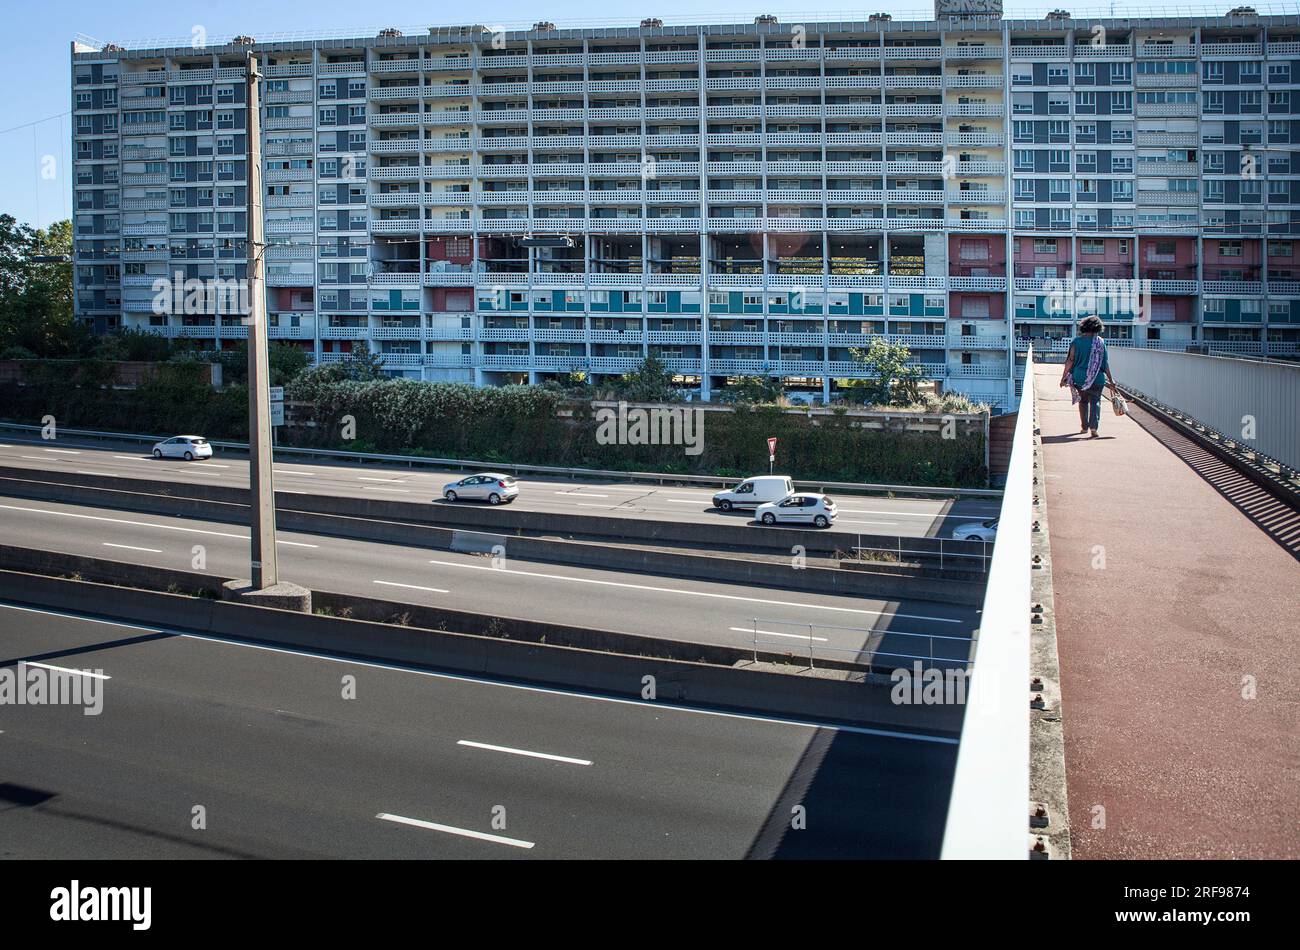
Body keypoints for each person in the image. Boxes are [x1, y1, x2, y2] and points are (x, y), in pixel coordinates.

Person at [1059, 316, 1118, 438]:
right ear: (1098, 327)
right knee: (1095, 401)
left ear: (1084, 327)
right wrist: (1111, 380)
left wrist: (1063, 377)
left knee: (1083, 402)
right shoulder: (1100, 342)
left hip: (1079, 378)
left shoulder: (1076, 342)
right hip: (1097, 378)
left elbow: (1070, 360)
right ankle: (1094, 428)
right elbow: (1105, 363)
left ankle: (1084, 427)